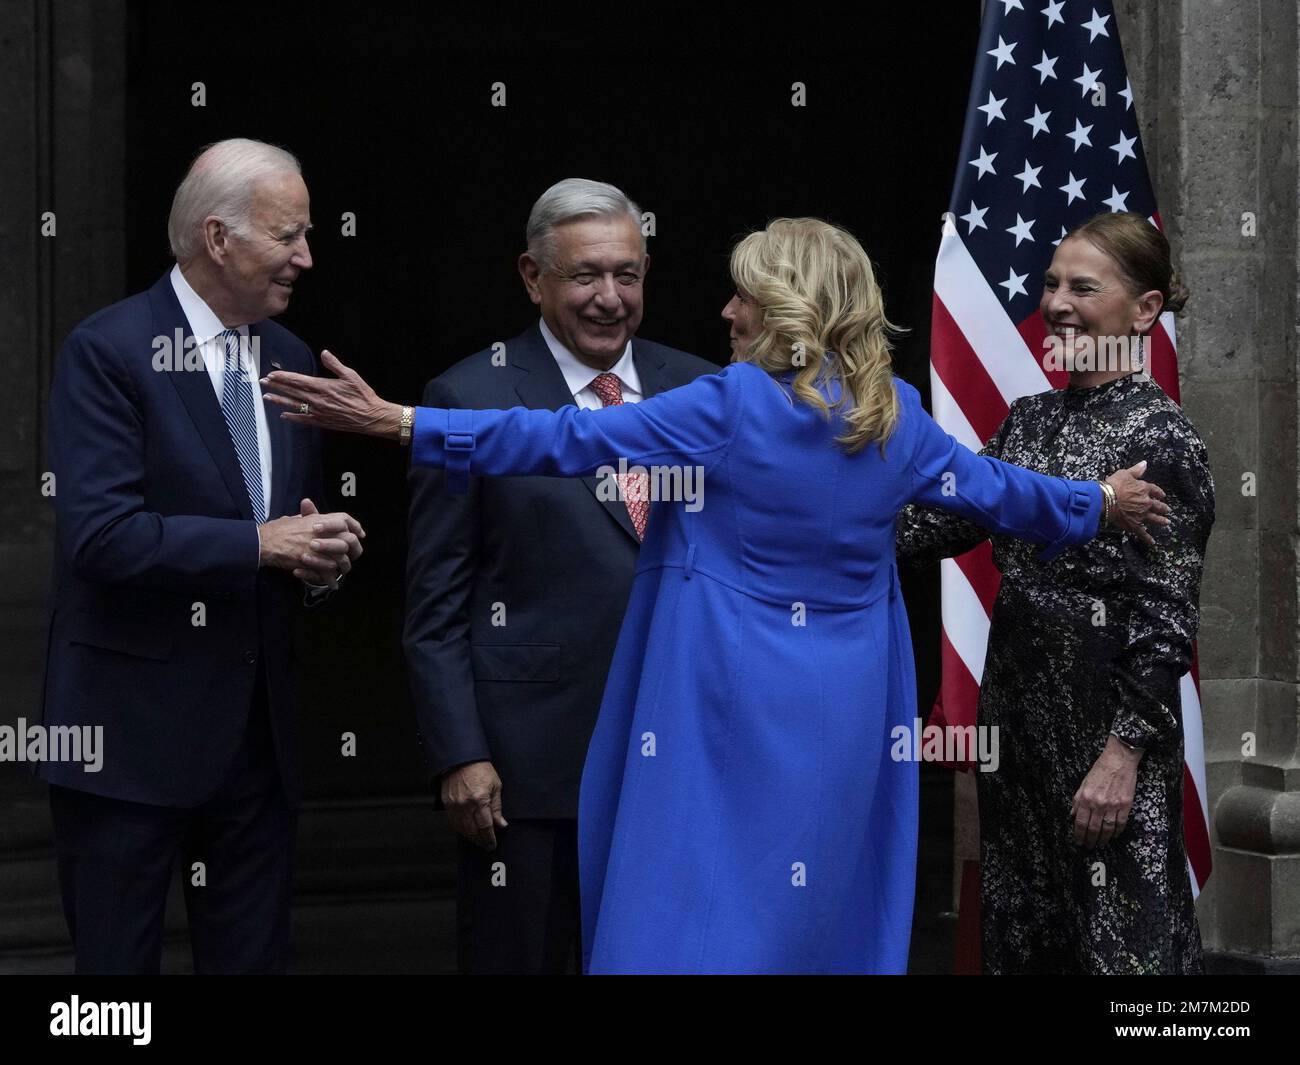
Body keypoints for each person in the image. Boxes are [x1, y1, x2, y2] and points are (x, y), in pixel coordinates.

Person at [262, 217, 1168, 974]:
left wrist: (396, 421)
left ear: (787, 307)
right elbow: (998, 491)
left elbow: (549, 440)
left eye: (743, 293)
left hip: (725, 691)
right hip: (847, 702)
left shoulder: (729, 403)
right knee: (813, 898)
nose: (726, 309)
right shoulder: (892, 409)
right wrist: (1101, 502)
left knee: (702, 899)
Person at [39, 138, 364, 974]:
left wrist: (317, 557)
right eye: (288, 236)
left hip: (255, 749)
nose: (307, 257)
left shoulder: (289, 361)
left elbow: (285, 530)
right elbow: (101, 536)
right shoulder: (109, 350)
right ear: (220, 239)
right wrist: (260, 544)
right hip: (127, 745)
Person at [403, 178, 716, 973]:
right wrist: (459, 753)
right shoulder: (467, 399)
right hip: (529, 775)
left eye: (628, 274)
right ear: (531, 276)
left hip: (682, 760)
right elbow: (433, 604)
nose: (610, 298)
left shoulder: (706, 390)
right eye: (585, 276)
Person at [897, 211, 1214, 974]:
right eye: (1049, 284)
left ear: (1144, 310)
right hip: (1019, 743)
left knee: (1122, 953)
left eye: (1082, 286)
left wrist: (1121, 756)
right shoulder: (1028, 422)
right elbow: (925, 530)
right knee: (1022, 946)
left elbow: (1166, 620)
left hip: (1106, 748)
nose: (1057, 303)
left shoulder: (1164, 437)